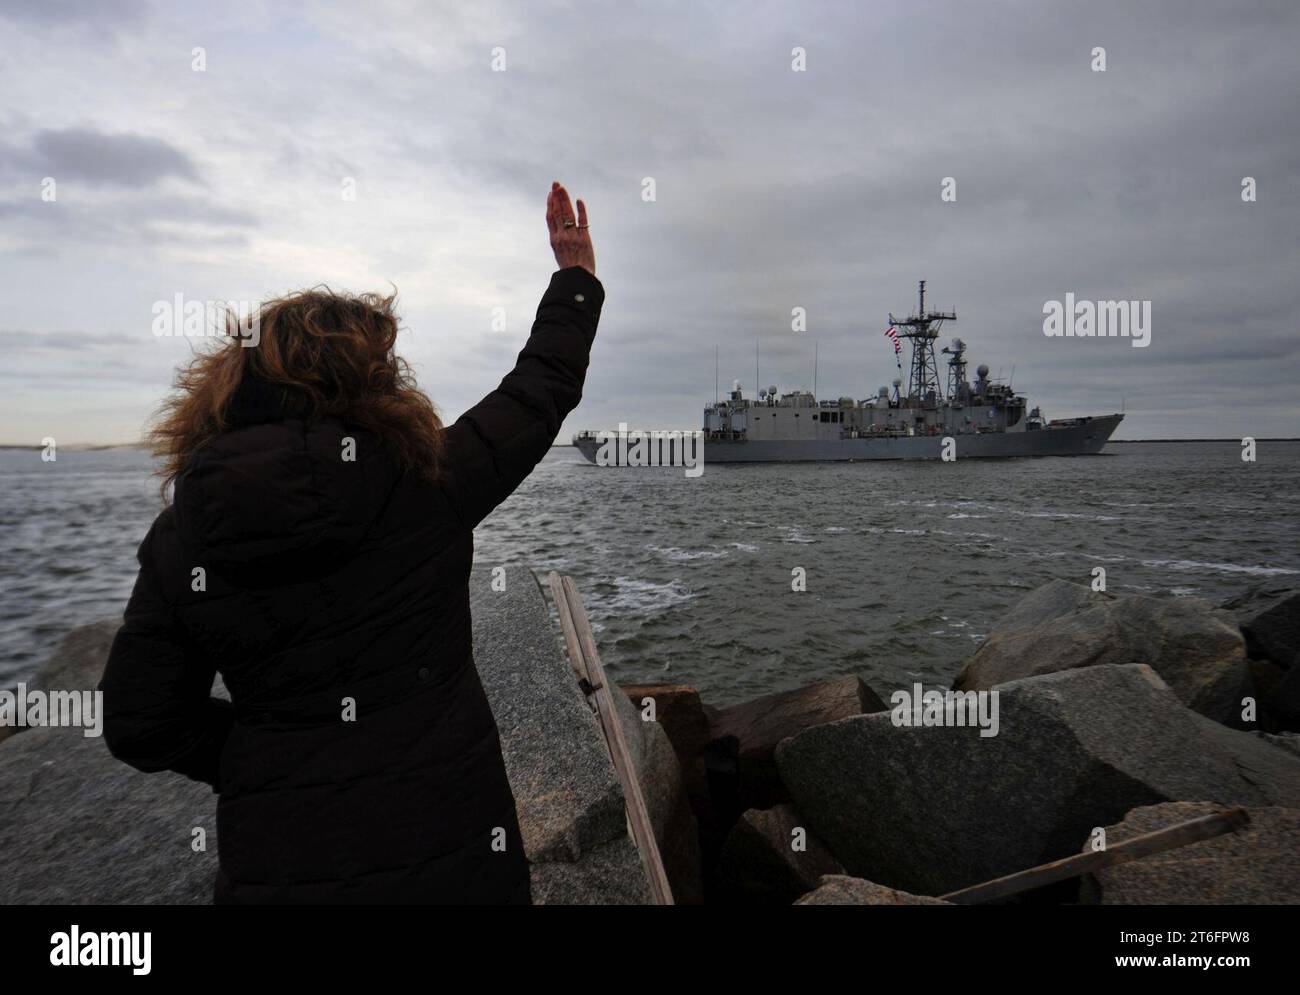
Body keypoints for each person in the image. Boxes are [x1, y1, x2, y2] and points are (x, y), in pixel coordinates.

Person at [98, 182, 602, 904]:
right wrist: (575, 281)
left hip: (279, 869)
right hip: (458, 858)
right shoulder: (426, 481)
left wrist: (261, 754)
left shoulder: (185, 536)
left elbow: (138, 721)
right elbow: (538, 391)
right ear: (370, 380)